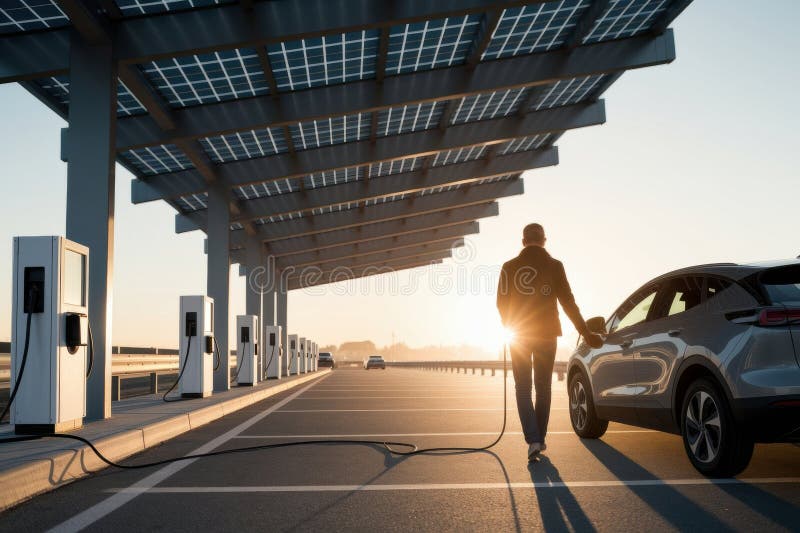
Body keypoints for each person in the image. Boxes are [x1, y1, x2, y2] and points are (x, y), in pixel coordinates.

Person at [496, 223, 603, 461]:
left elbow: (501, 303)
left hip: (519, 335)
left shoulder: (508, 267)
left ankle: (533, 439)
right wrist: (585, 333)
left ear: (523, 241)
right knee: (543, 388)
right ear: (545, 241)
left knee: (523, 388)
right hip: (546, 334)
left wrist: (509, 325)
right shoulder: (555, 266)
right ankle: (540, 439)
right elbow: (568, 302)